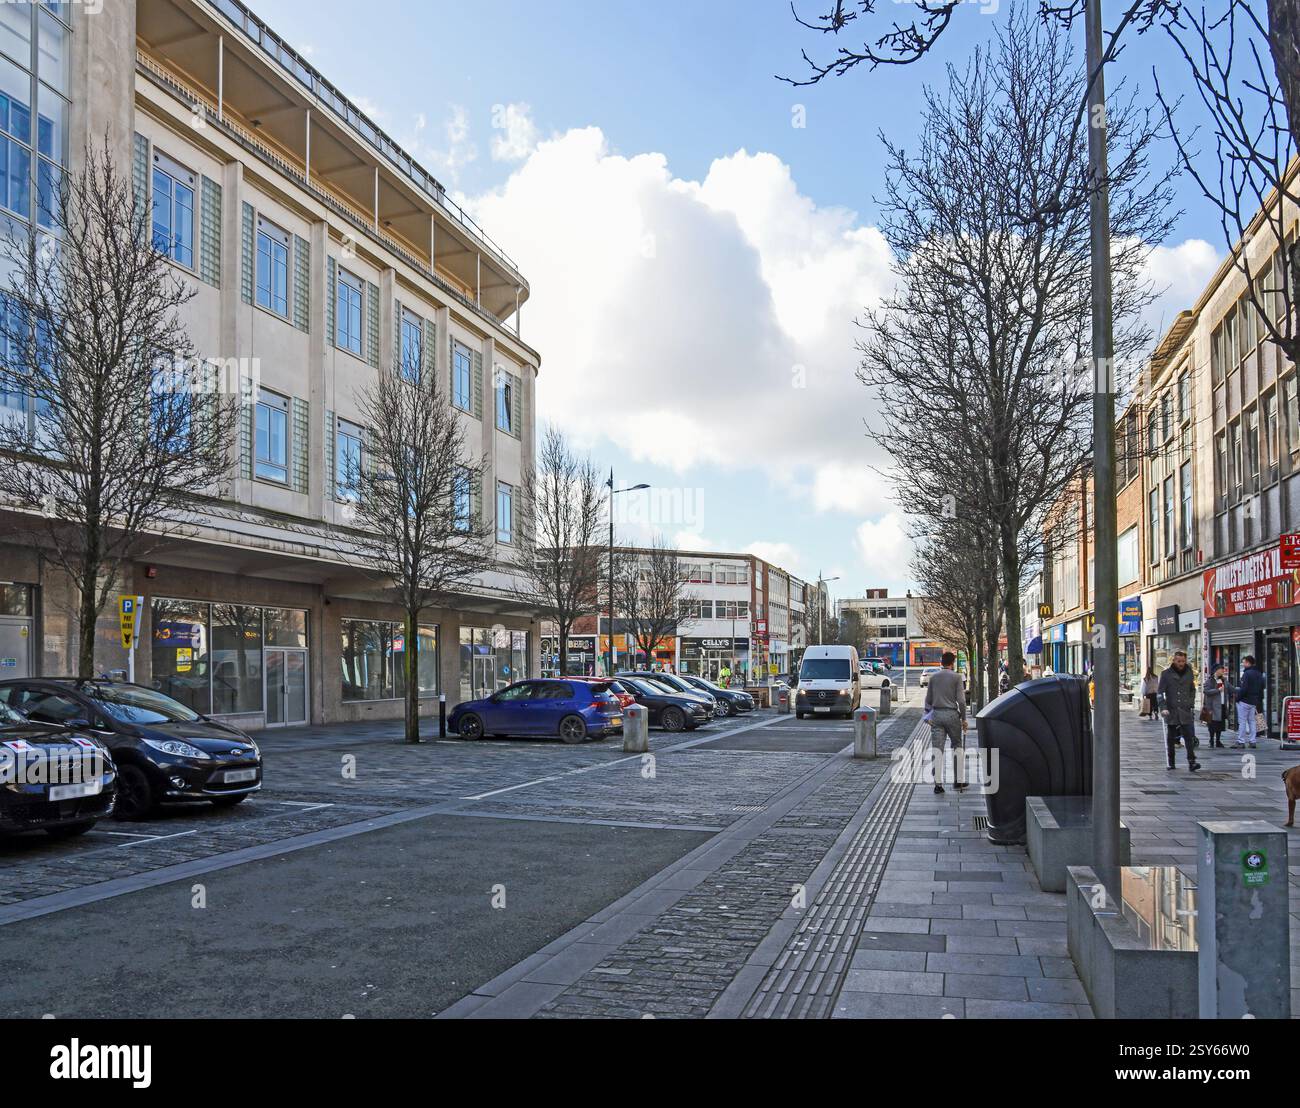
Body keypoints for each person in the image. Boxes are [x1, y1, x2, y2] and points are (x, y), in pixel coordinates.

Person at [924, 650, 968, 794]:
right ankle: (958, 780)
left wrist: (927, 716)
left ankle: (938, 784)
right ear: (952, 663)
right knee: (957, 746)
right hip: (952, 715)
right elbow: (961, 700)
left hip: (936, 715)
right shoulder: (956, 677)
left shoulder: (934, 678)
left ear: (942, 663)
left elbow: (928, 700)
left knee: (937, 749)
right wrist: (964, 719)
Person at [1157, 649, 1200, 772]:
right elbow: (1160, 693)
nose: (1181, 663)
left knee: (1188, 737)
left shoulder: (1189, 672)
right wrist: (1163, 708)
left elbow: (1192, 689)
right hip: (1172, 710)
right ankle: (1171, 762)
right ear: (1174, 661)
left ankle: (1192, 762)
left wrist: (1191, 702)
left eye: (1183, 661)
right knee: (1171, 738)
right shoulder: (1166, 674)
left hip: (1185, 710)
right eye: (1179, 661)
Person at [1234, 655, 1265, 748]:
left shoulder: (1247, 674)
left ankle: (1241, 741)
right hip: (1254, 701)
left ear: (1248, 663)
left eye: (1244, 662)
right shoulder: (1259, 673)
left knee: (1242, 721)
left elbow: (1244, 688)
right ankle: (1252, 741)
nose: (1243, 664)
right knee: (1252, 721)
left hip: (1245, 701)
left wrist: (1238, 698)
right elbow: (1262, 686)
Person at [1203, 666, 1230, 749]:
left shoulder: (1224, 680)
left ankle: (1218, 741)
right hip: (1212, 706)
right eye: (1221, 670)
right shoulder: (1210, 681)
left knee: (1220, 724)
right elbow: (1206, 691)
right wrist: (1217, 690)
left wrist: (1240, 690)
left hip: (1221, 705)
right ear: (1216, 671)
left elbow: (1230, 688)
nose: (1223, 672)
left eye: (1223, 671)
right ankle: (1211, 740)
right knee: (1212, 724)